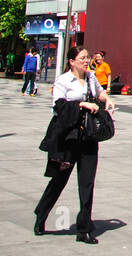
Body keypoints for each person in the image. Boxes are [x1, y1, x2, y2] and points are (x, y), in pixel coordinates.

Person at [34, 46, 114, 243]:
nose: (86, 61)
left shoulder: (90, 77)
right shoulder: (63, 80)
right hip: (68, 138)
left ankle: (83, 229)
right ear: (72, 61)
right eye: (82, 58)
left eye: (87, 58)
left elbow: (100, 93)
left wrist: (107, 99)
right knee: (59, 180)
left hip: (88, 136)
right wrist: (82, 105)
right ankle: (41, 214)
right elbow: (58, 106)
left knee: (87, 183)